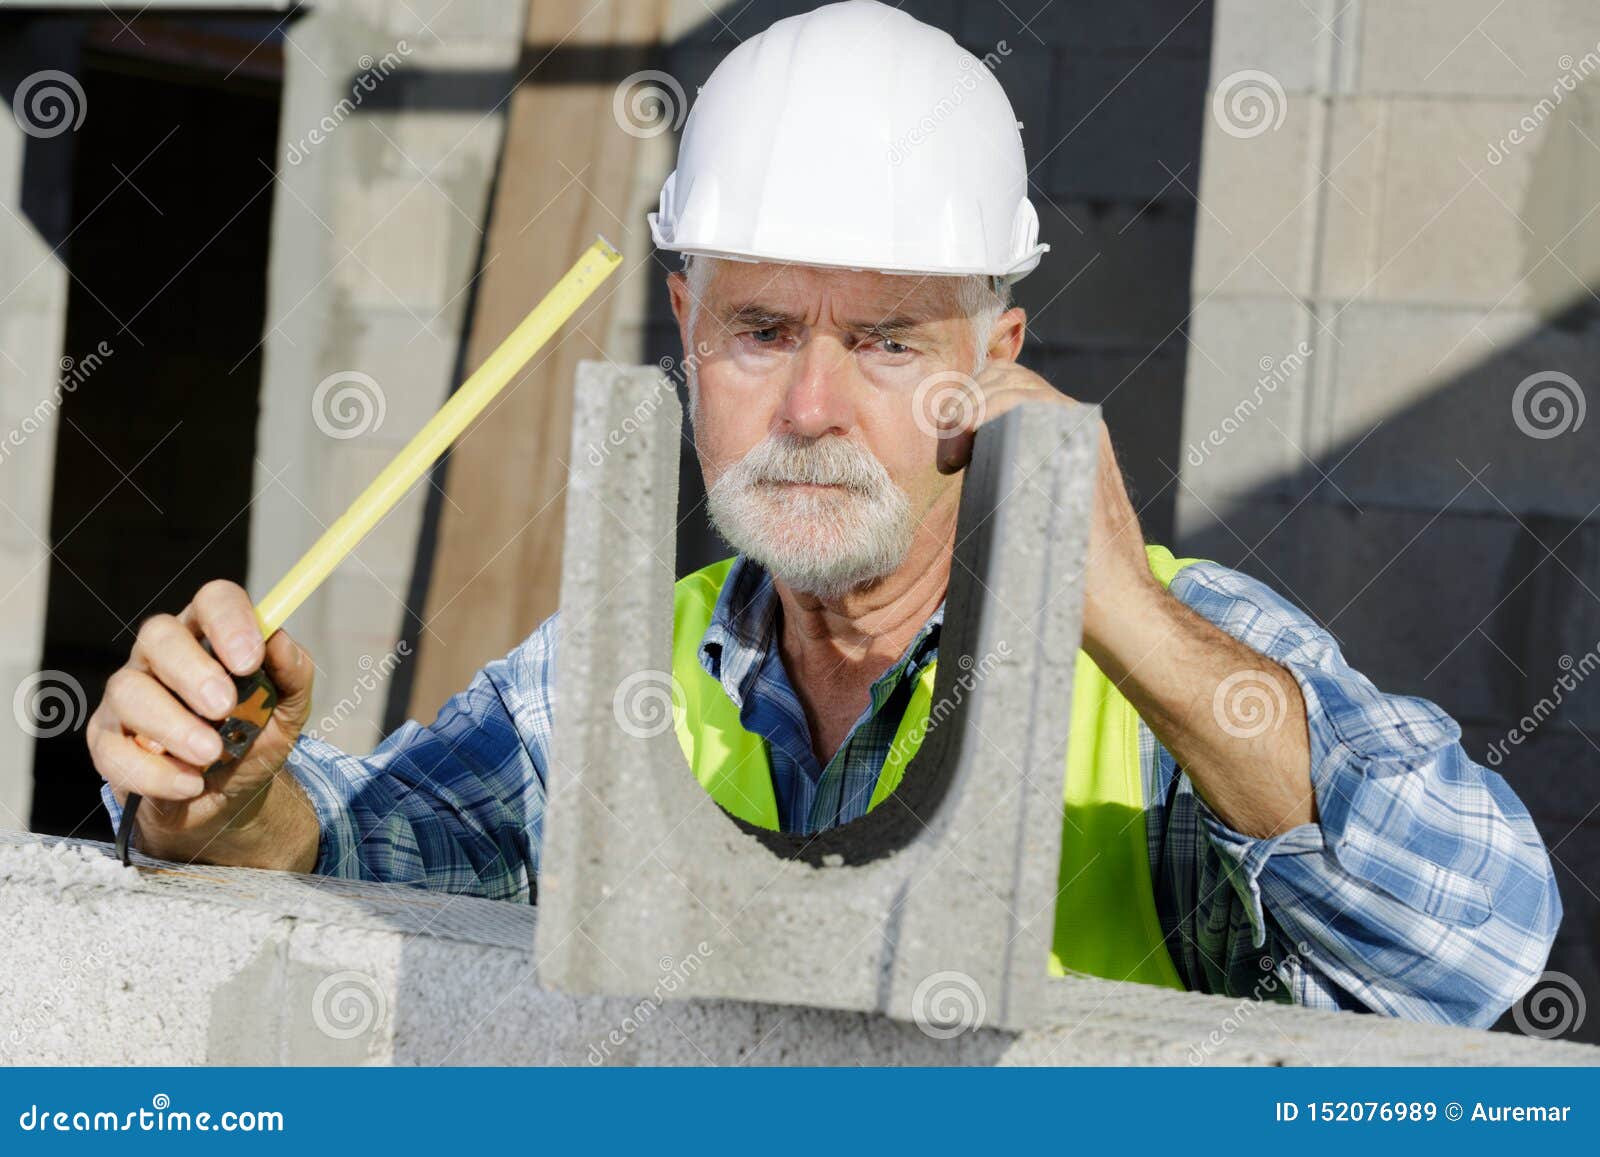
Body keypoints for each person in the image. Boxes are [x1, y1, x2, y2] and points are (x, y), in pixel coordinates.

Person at [87, 0, 1558, 1027]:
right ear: (683, 327)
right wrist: (221, 795)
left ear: (997, 363)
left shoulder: (1175, 650)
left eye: (891, 343)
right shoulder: (622, 672)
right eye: (764, 329)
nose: (808, 409)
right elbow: (359, 857)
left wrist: (1111, 607)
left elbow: (1472, 948)